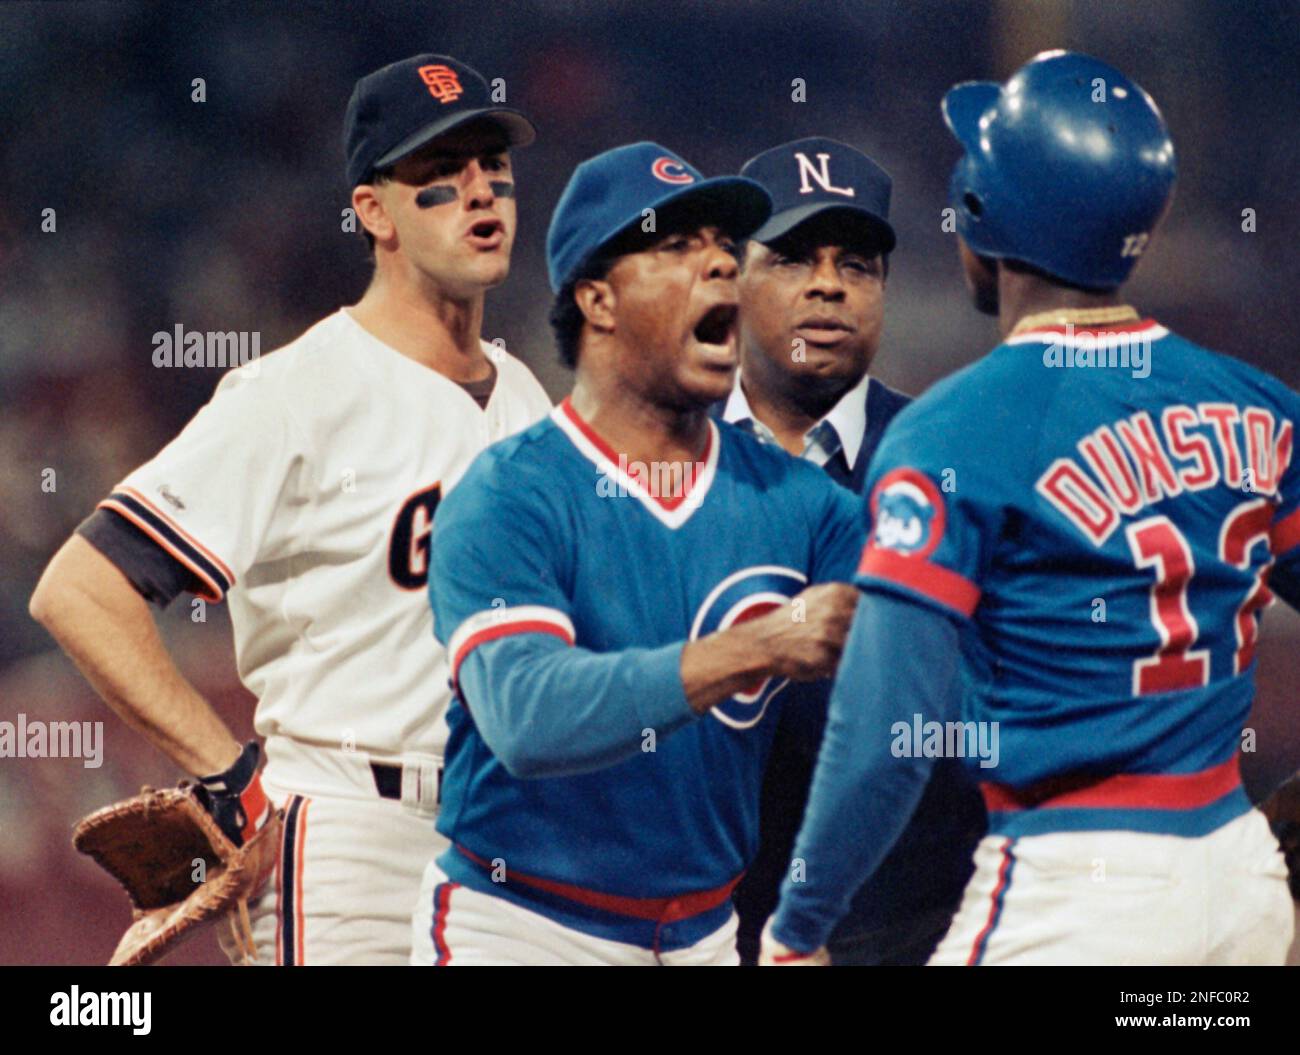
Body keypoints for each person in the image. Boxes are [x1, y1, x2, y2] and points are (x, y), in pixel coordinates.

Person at [762, 50, 1300, 966]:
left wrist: (800, 922)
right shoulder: (1259, 404)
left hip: (1073, 893)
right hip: (1241, 884)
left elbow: (886, 730)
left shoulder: (952, 431)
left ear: (978, 215)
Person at [28, 53, 552, 966]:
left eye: (492, 170)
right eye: (440, 177)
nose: (481, 194)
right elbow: (78, 588)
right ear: (373, 212)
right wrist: (230, 778)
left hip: (508, 841)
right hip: (353, 838)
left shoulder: (525, 396)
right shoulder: (298, 390)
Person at [410, 142, 862, 965]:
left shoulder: (802, 503)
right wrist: (755, 646)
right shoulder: (511, 493)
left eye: (727, 246)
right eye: (679, 247)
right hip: (522, 926)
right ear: (599, 300)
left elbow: (913, 677)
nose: (722, 263)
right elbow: (527, 716)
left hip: (710, 932)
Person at [725, 137, 984, 965]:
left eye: (858, 264)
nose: (829, 283)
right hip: (700, 929)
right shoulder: (661, 458)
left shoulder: (951, 456)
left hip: (918, 924)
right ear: (731, 278)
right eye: (794, 257)